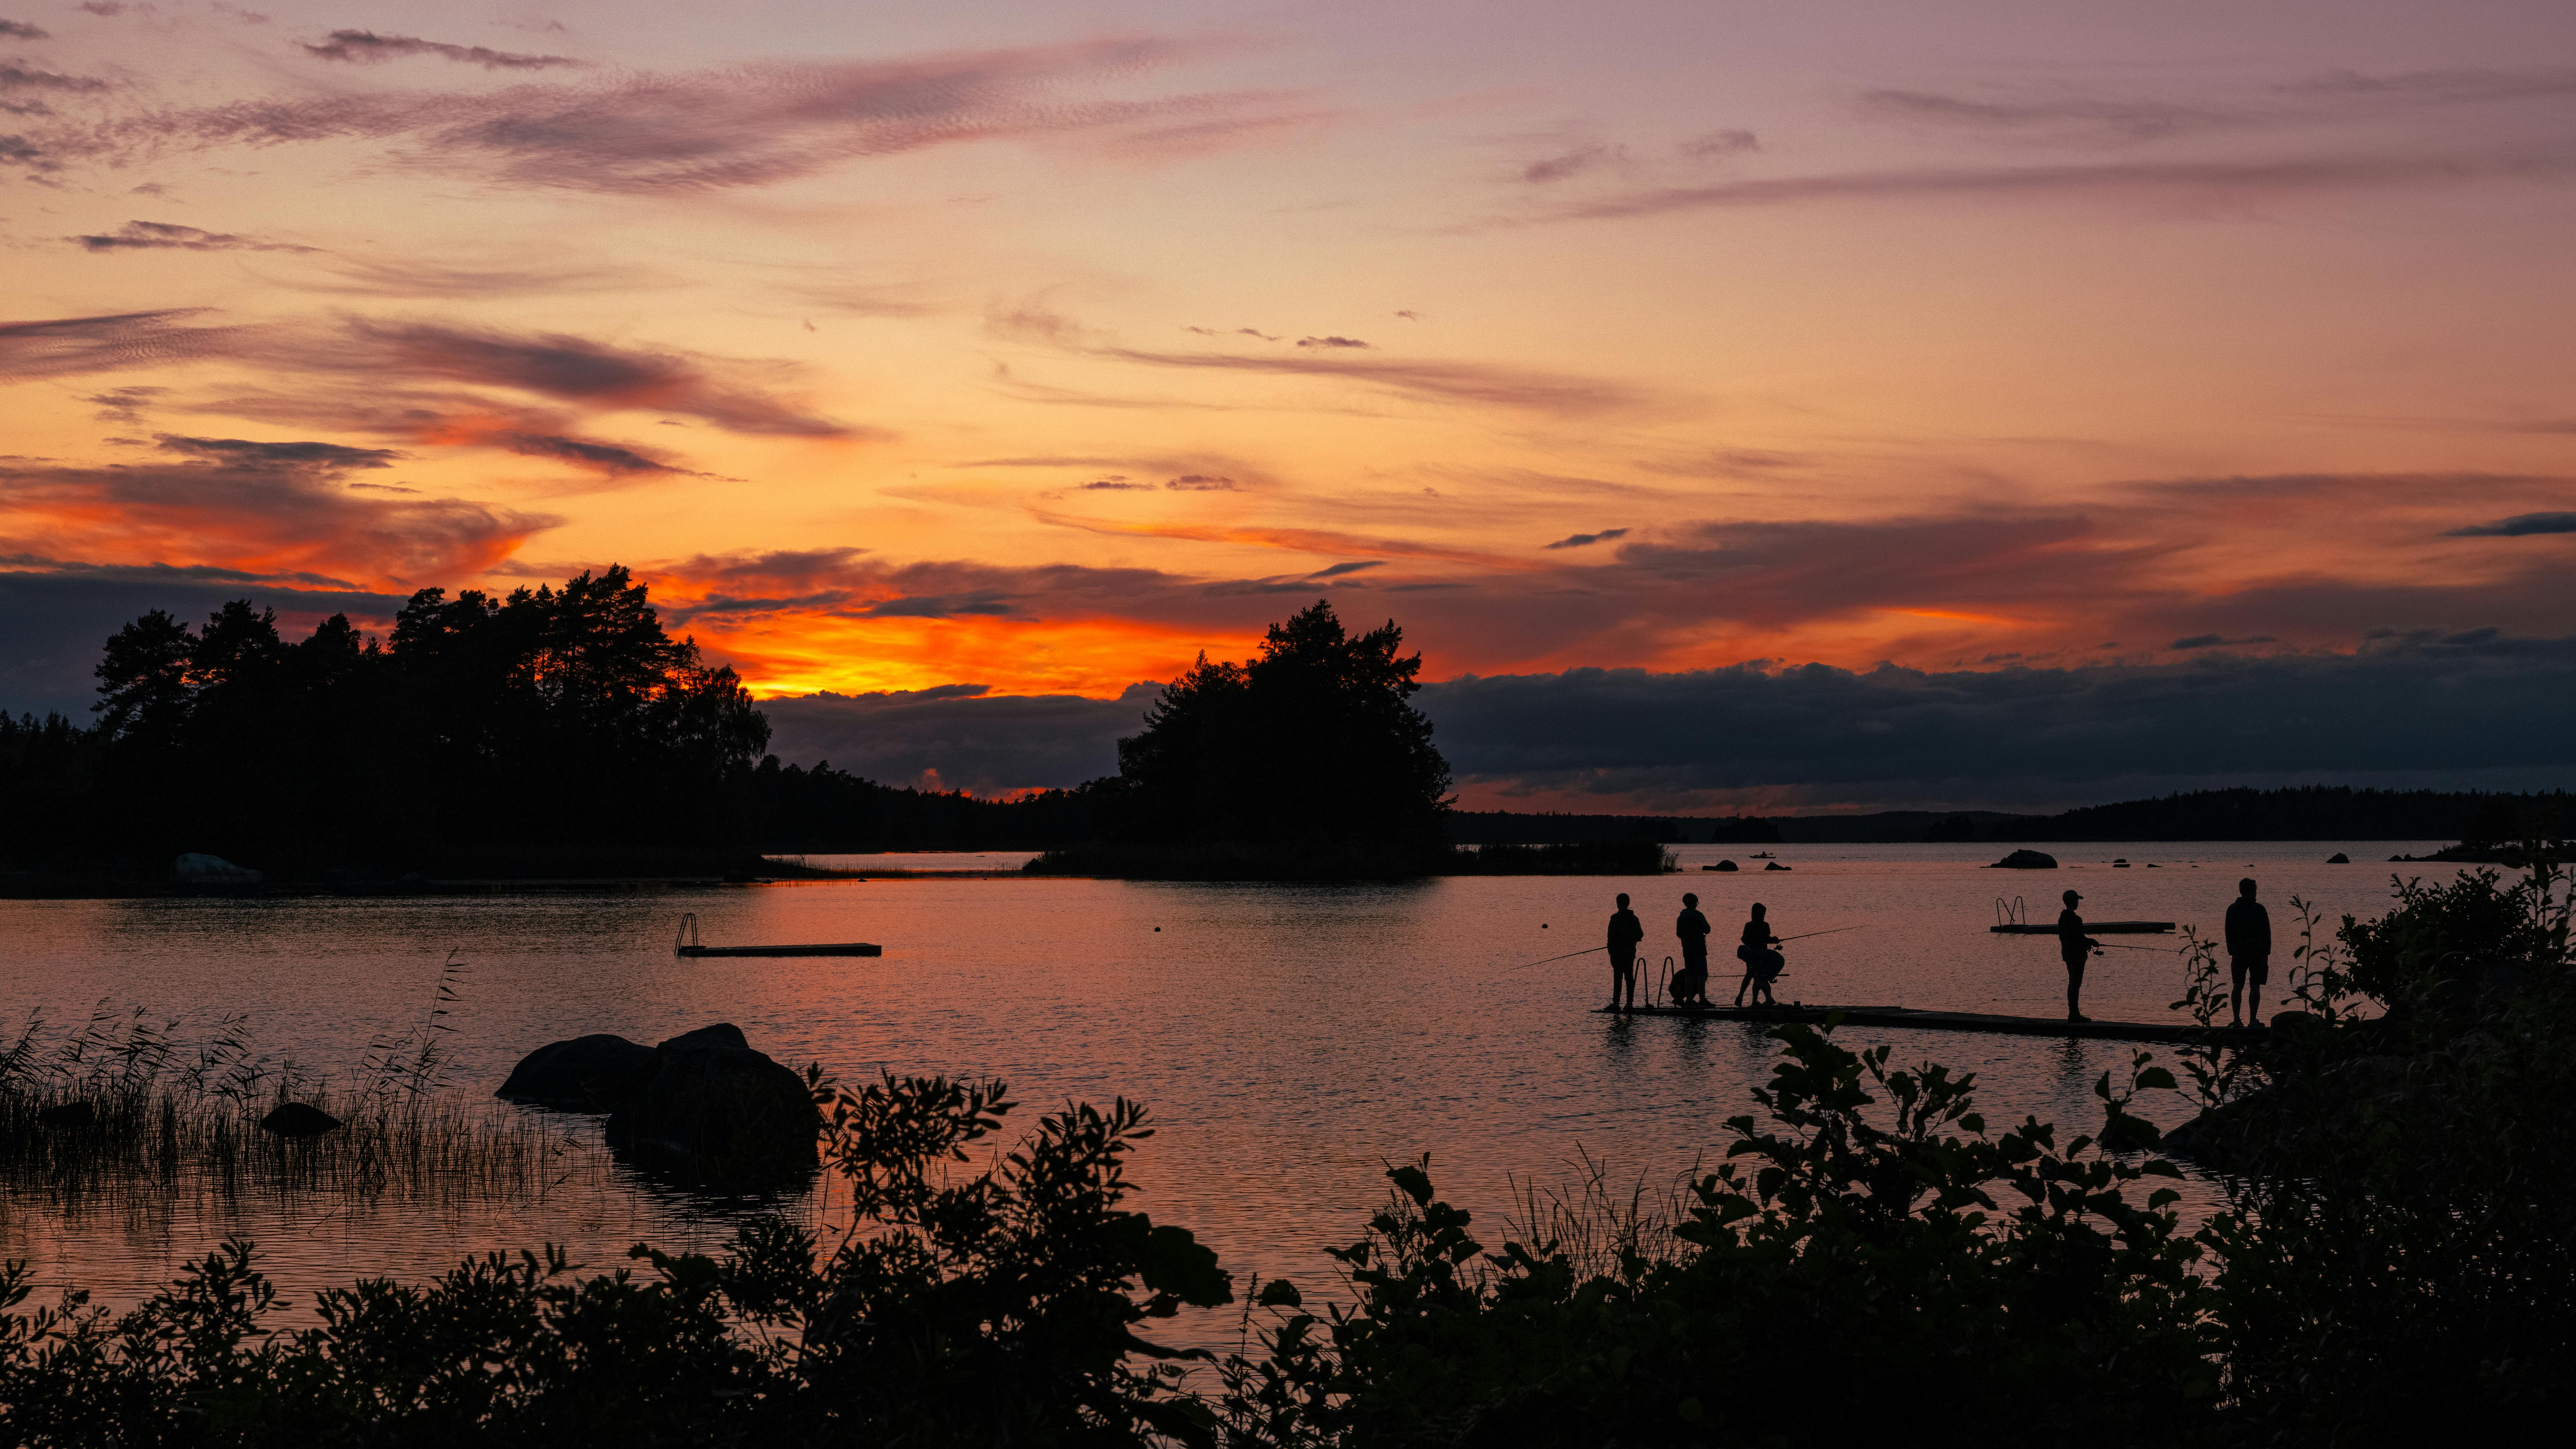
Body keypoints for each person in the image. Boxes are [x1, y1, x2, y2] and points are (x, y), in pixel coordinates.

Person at [2225, 877, 2273, 1028]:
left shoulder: (2232, 909)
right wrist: (2267, 951)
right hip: (2257, 953)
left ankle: (2237, 1020)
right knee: (2255, 986)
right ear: (2252, 891)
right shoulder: (2259, 909)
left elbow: (2228, 932)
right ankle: (2253, 1020)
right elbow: (2267, 933)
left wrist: (2231, 951)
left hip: (2238, 952)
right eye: (2256, 890)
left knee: (2237, 985)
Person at [2058, 887, 2100, 1022]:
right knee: (2076, 983)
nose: (2078, 903)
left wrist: (2085, 943)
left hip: (2067, 953)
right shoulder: (2076, 919)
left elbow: (2068, 938)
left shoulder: (2062, 918)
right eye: (2077, 900)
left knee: (2072, 983)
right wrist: (2091, 941)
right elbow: (2078, 938)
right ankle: (2074, 1014)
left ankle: (2073, 1012)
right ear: (2073, 902)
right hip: (2077, 955)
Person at [1734, 903, 1784, 1007]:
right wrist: (1774, 940)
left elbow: (1744, 939)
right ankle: (1765, 1000)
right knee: (1760, 977)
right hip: (1760, 957)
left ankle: (1744, 998)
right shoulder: (1765, 925)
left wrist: (1752, 943)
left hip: (1751, 955)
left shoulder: (1748, 925)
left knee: (1750, 976)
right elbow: (1767, 939)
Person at [1606, 893, 1645, 1011]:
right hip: (1630, 952)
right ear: (1628, 904)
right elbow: (1640, 935)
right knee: (1629, 977)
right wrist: (1632, 939)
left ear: (1618, 904)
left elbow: (1611, 937)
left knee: (1618, 977)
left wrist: (1611, 951)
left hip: (1617, 953)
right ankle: (1629, 1003)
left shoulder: (1615, 918)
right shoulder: (1634, 919)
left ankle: (1616, 1003)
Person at [1672, 892, 1713, 1006]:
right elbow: (1708, 930)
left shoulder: (1681, 917)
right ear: (1695, 903)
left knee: (1689, 975)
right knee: (1702, 974)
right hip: (1699, 948)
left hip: (1687, 949)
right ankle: (1703, 999)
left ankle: (1689, 1000)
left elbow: (1679, 934)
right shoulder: (1699, 915)